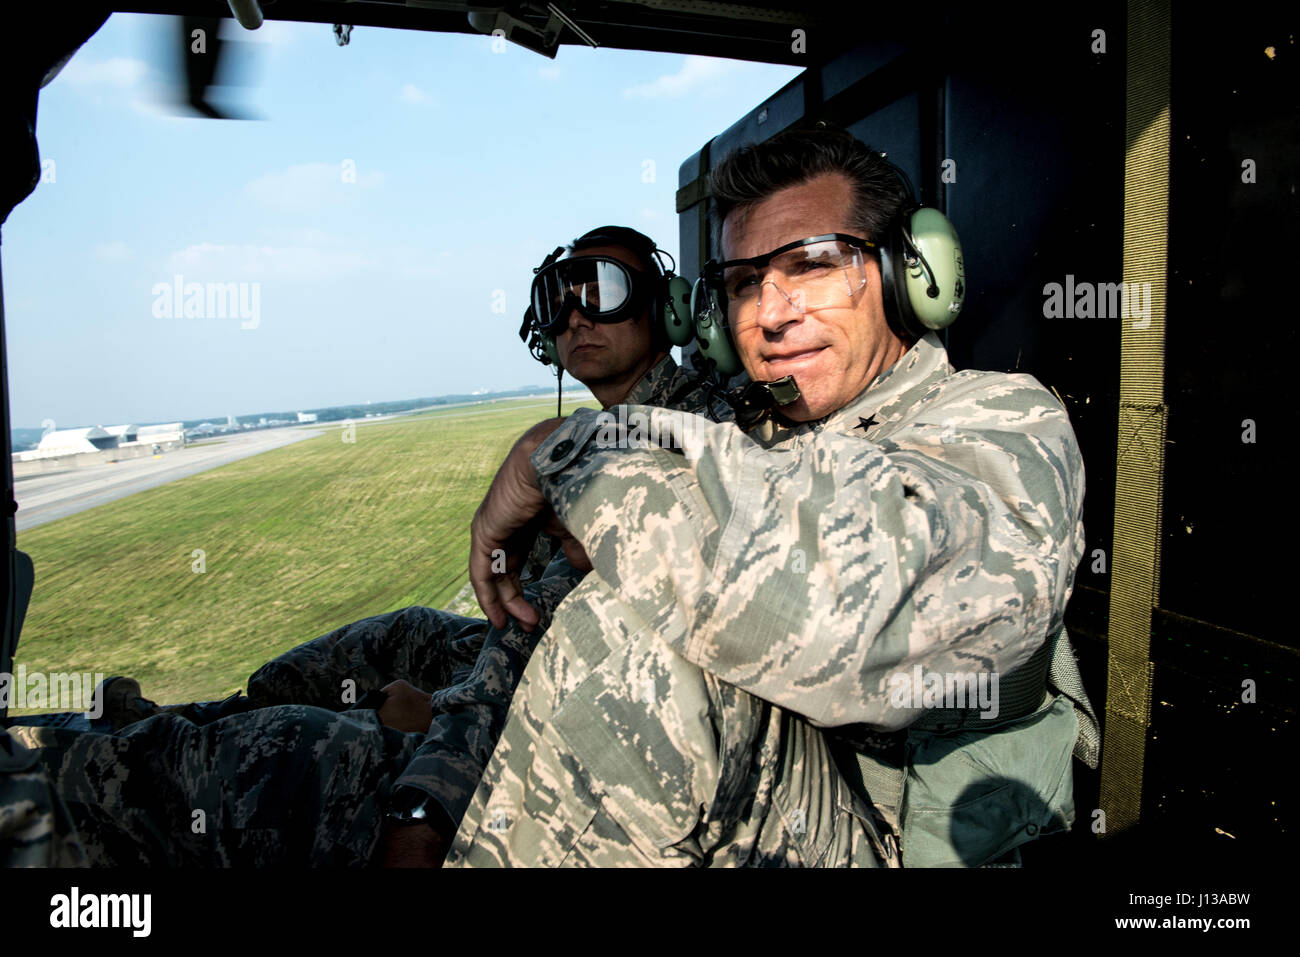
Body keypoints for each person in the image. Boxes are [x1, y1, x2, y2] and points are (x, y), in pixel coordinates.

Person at [449, 126, 1097, 867]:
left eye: (813, 266)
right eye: (744, 283)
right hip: (784, 800)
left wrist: (554, 452)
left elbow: (841, 605)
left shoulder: (1004, 421)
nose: (770, 313)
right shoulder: (750, 429)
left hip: (898, 837)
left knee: (643, 628)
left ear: (907, 272)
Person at [1, 227, 733, 867]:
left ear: (665, 307)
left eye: (601, 289)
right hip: (518, 659)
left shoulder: (688, 430)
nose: (576, 315)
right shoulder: (611, 429)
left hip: (573, 710)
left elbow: (555, 634)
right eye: (556, 298)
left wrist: (441, 720)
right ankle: (183, 717)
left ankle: (63, 786)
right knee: (401, 630)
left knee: (292, 751)